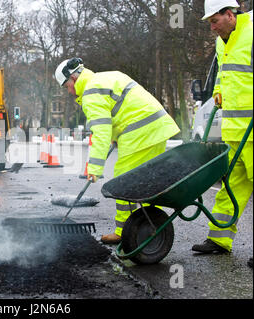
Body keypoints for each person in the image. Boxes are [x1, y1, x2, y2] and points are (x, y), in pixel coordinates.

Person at [54, 58, 180, 244]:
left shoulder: (90, 92)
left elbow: (101, 132)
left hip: (140, 132)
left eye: (66, 87)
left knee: (124, 181)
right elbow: (123, 108)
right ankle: (141, 226)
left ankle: (125, 231)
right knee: (142, 180)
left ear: (73, 78)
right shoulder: (107, 77)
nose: (69, 91)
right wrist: (116, 133)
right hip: (156, 127)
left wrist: (94, 169)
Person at [192, 0, 253, 268]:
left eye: (215, 21)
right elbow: (224, 76)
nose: (212, 28)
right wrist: (217, 92)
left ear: (230, 14)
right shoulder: (221, 41)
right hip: (234, 130)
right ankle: (219, 239)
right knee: (229, 186)